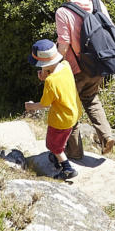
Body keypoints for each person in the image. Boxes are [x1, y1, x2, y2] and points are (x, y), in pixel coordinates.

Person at [53, 0, 115, 156]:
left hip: (75, 68)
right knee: (91, 99)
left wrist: (53, 68)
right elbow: (110, 28)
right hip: (99, 64)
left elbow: (63, 46)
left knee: (69, 105)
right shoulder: (97, 3)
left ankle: (74, 152)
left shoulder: (63, 12)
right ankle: (107, 136)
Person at [23, 39, 81, 181]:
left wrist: (30, 106)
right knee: (62, 138)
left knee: (53, 145)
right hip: (73, 111)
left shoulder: (50, 81)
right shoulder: (66, 65)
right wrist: (47, 74)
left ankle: (67, 169)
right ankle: (58, 156)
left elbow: (45, 103)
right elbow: (60, 86)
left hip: (60, 119)